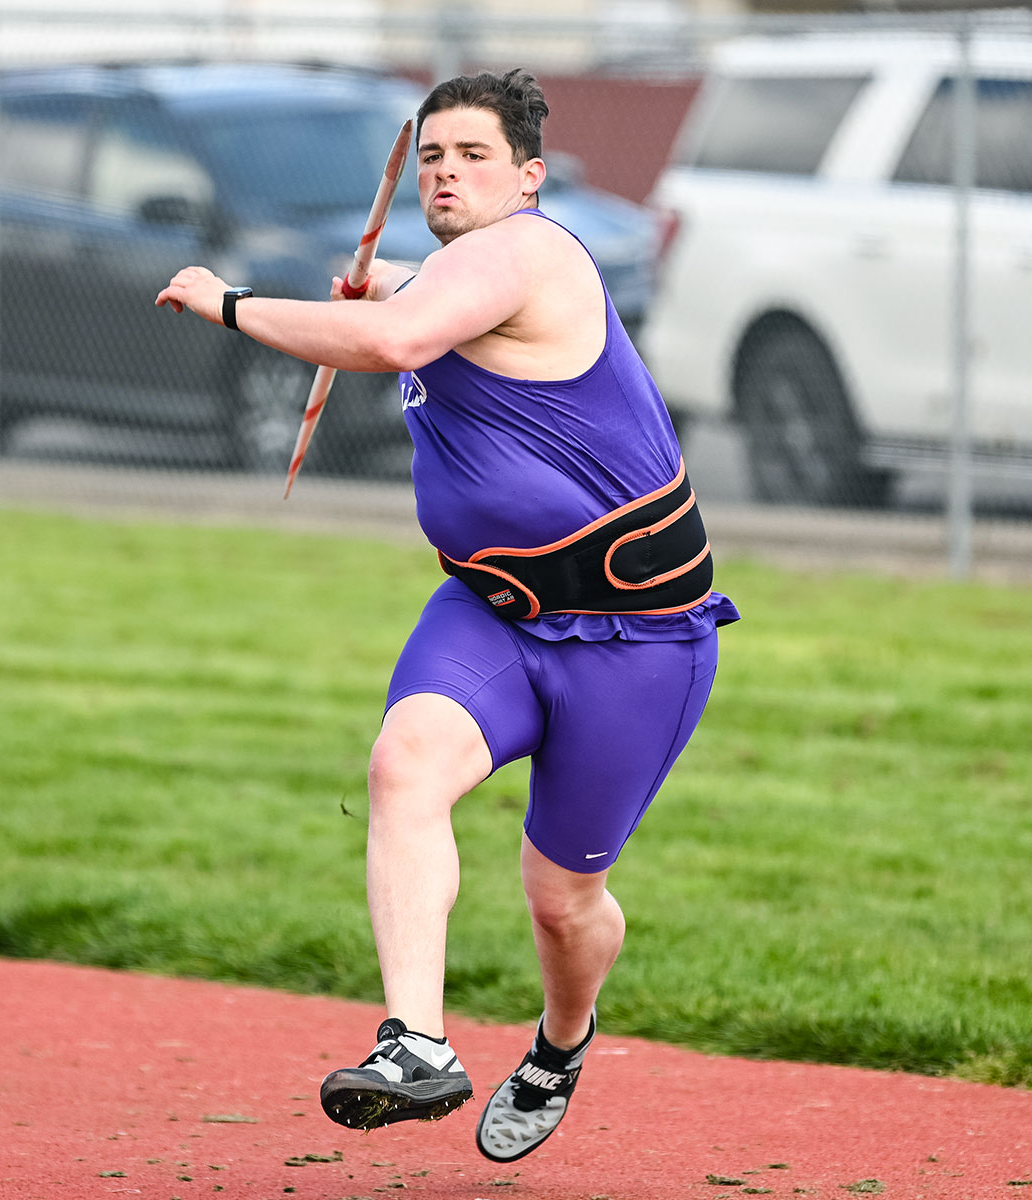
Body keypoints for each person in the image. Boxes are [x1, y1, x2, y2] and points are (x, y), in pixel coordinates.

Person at [155, 68, 738, 1164]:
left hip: (634, 639)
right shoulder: (449, 276)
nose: (444, 175)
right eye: (430, 157)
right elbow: (414, 315)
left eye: (472, 156)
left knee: (562, 900)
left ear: (529, 177)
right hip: (492, 611)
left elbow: (393, 345)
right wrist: (378, 297)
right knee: (404, 765)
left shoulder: (525, 252)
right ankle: (416, 1045)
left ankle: (561, 1042)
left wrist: (229, 301)